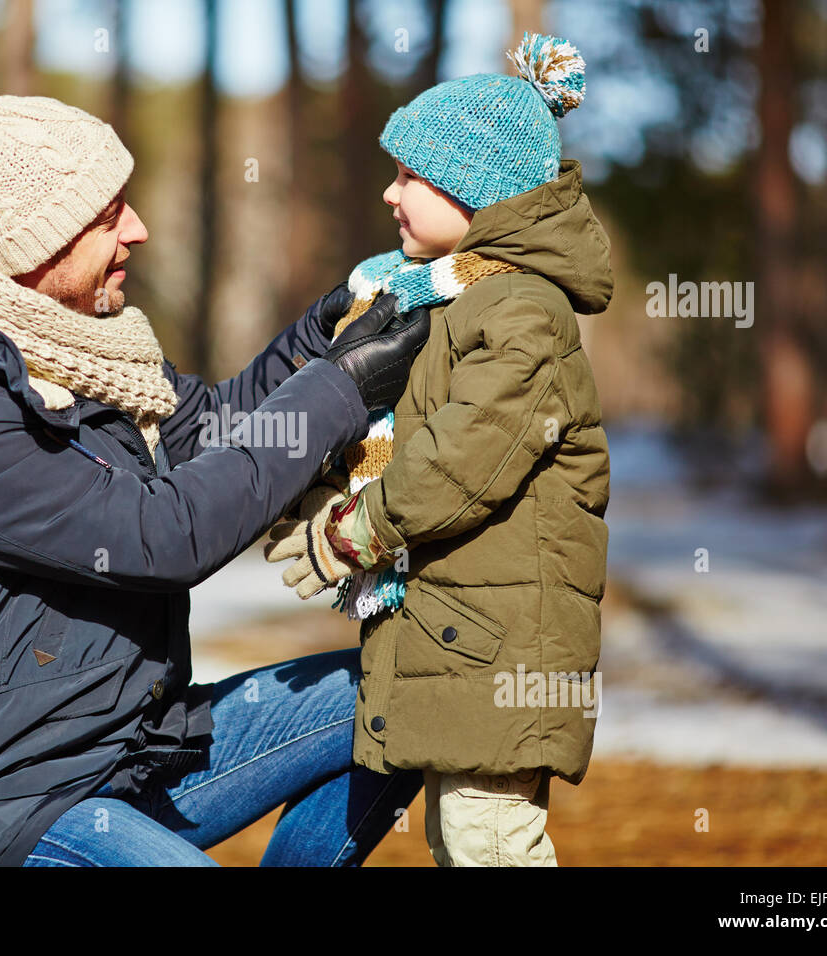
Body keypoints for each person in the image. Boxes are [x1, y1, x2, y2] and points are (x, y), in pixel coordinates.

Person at [0, 80, 430, 866]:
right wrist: (342, 390)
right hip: (20, 810)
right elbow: (161, 534)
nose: (139, 231)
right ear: (34, 247)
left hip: (144, 751)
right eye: (110, 217)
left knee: (415, 695)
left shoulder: (74, 347)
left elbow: (209, 430)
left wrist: (321, 338)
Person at [264, 33, 614, 866]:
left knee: (488, 840)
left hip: (504, 650)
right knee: (458, 841)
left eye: (410, 177)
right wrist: (317, 492)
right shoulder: (441, 299)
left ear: (477, 191)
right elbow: (406, 424)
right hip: (461, 636)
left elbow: (466, 457)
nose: (390, 194)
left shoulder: (522, 310)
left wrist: (357, 533)